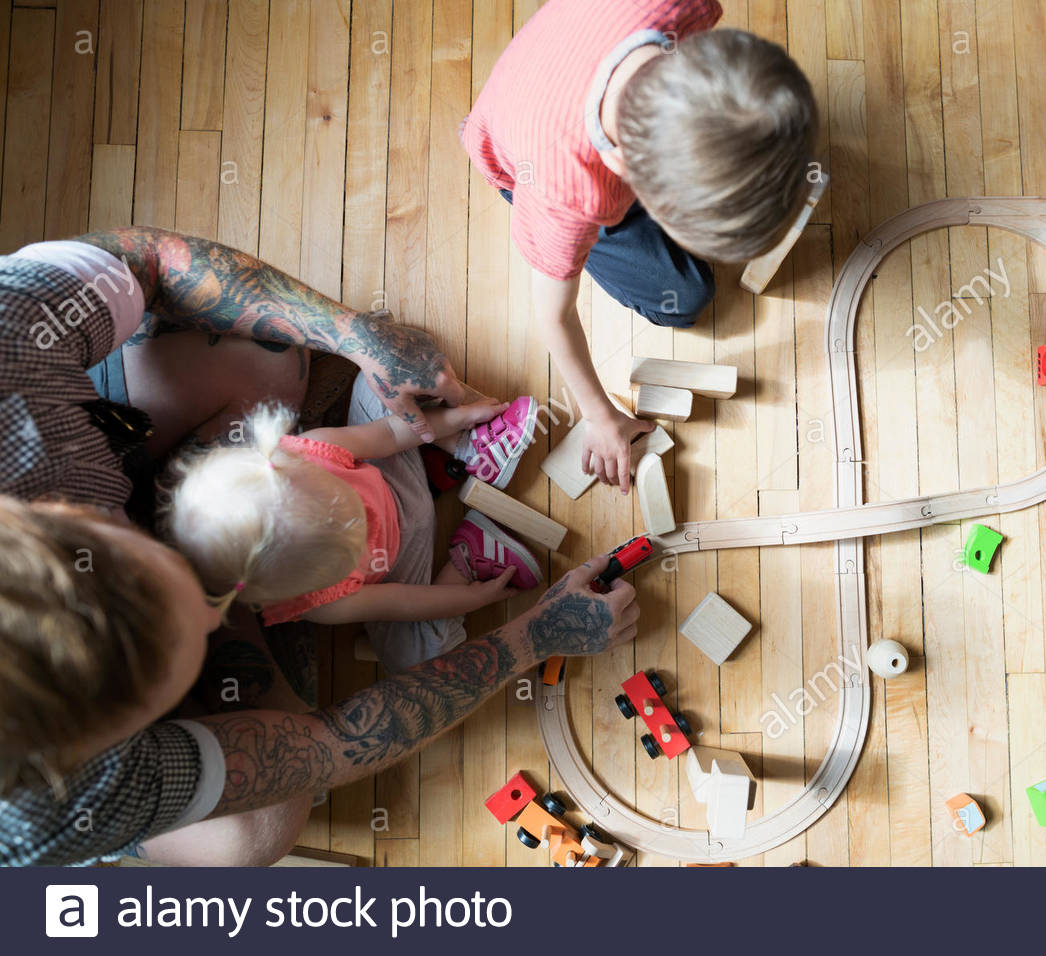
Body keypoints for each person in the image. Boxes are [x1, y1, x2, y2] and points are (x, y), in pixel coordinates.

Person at [0, 227, 639, 865]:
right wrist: (529, 636)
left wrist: (365, 341)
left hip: (108, 447)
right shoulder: (49, 811)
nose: (212, 605)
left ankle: (229, 524)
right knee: (250, 837)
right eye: (200, 623)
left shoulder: (14, 355)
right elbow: (330, 747)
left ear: (61, 514)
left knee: (276, 357)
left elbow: (145, 260)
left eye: (165, 569)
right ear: (108, 745)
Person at [461, 0, 818, 493]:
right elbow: (552, 316)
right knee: (686, 295)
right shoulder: (569, 197)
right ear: (631, 182)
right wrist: (598, 416)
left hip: (576, 96)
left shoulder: (680, 7)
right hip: (519, 159)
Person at [163, 393, 546, 673]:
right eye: (350, 548)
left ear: (291, 466)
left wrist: (461, 420)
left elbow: (391, 435)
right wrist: (468, 598)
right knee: (414, 662)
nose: (365, 525)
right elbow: (402, 600)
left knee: (379, 384)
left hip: (396, 479)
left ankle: (475, 451)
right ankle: (467, 560)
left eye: (351, 508)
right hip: (404, 560)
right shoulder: (318, 604)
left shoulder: (314, 449)